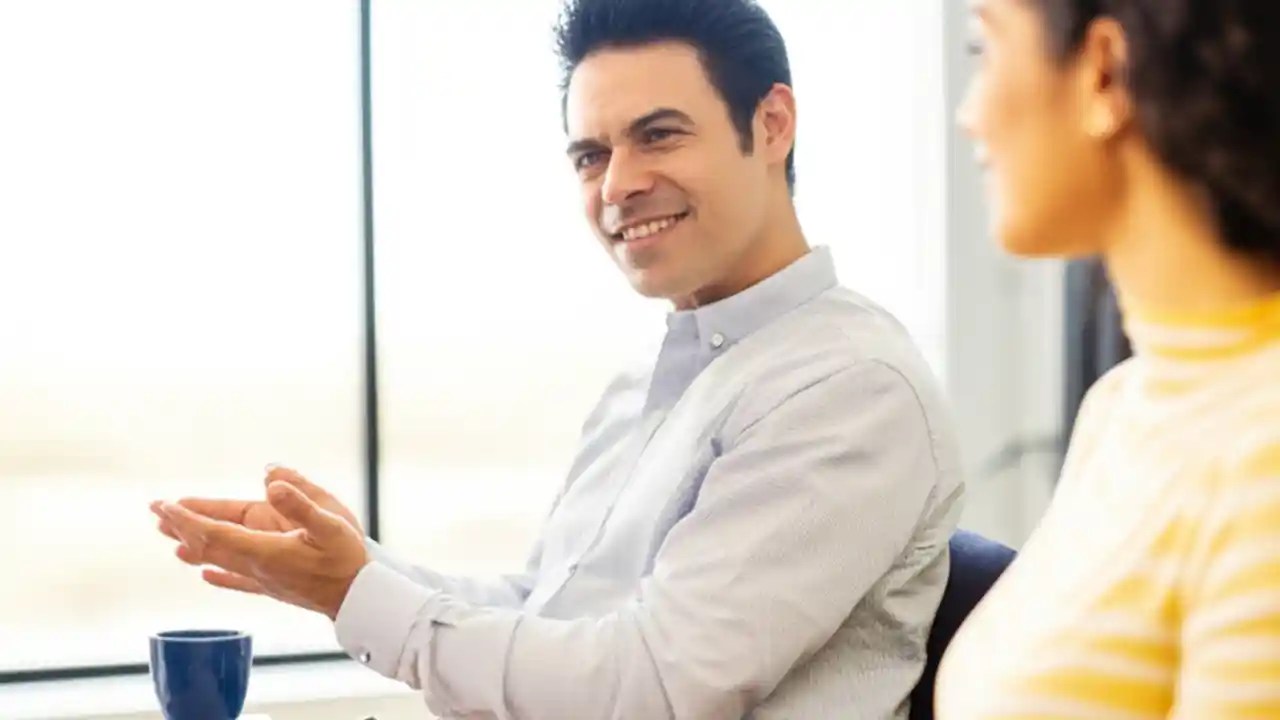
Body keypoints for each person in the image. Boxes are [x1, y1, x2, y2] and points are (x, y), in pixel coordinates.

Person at [152, 0, 963, 716]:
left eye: (658, 135)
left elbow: (652, 689)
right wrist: (354, 566)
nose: (618, 185)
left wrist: (355, 594)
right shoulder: (644, 385)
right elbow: (543, 608)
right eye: (591, 156)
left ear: (773, 124)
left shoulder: (849, 387)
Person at [937, 0, 1280, 717]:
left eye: (984, 50)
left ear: (1103, 73)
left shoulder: (1264, 460)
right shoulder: (1121, 406)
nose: (970, 115)